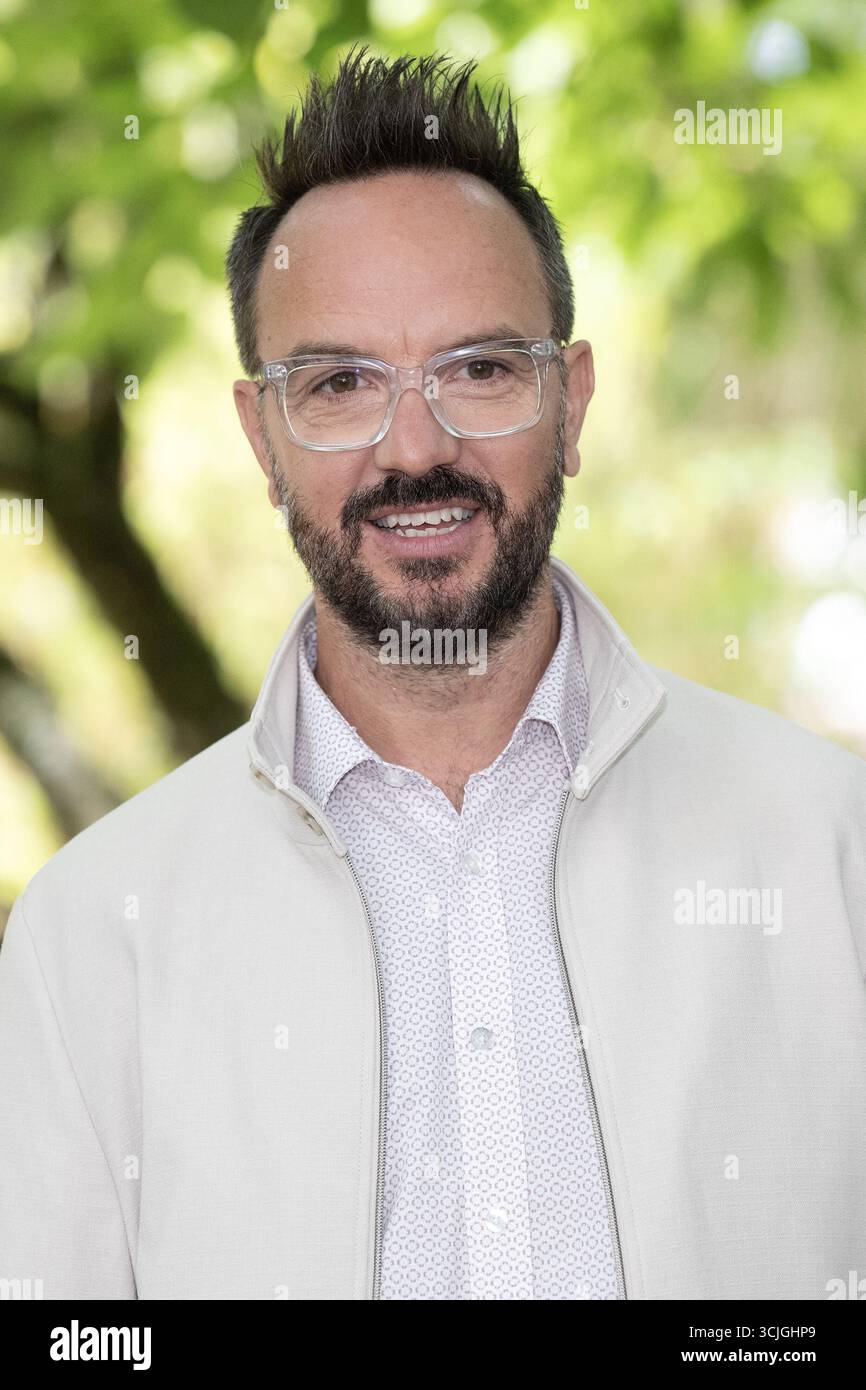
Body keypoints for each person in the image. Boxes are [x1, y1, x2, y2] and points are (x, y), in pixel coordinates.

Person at [1, 48, 864, 1303]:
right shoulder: (91, 935)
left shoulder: (830, 850)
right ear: (261, 434)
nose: (416, 447)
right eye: (339, 383)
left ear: (568, 401)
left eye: (479, 370)